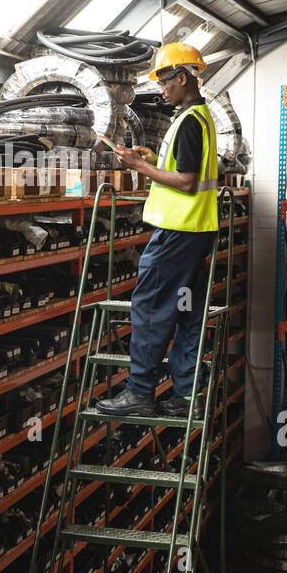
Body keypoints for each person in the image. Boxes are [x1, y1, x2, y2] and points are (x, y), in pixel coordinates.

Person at [98, 41, 219, 418]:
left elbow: (185, 181)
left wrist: (138, 166)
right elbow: (185, 169)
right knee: (187, 312)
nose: (162, 89)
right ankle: (185, 397)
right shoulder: (199, 117)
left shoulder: (187, 123)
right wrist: (153, 159)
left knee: (149, 306)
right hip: (197, 231)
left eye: (165, 81)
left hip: (177, 233)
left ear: (183, 78)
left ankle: (139, 392)